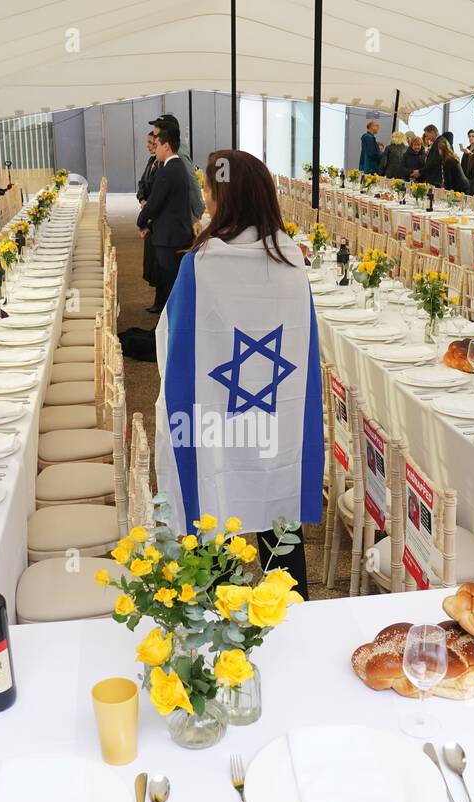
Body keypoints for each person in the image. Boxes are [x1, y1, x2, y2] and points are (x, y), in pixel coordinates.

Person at [155, 148, 322, 597]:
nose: (205, 198)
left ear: (227, 197)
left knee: (217, 497)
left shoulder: (202, 264)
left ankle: (218, 614)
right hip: (276, 413)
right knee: (277, 510)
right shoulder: (291, 263)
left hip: (215, 413)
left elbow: (176, 343)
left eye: (210, 190)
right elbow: (304, 349)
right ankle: (291, 606)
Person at [137, 126, 194, 315]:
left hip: (170, 236)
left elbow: (154, 203)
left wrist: (142, 222)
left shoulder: (168, 170)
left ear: (167, 146)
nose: (156, 149)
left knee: (169, 280)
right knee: (169, 279)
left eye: (158, 145)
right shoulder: (177, 168)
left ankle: (170, 320)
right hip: (175, 232)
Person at [148, 115, 204, 221]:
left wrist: (198, 211)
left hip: (181, 218)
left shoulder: (178, 153)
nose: (154, 140)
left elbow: (191, 182)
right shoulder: (167, 152)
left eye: (156, 136)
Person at [136, 130, 159, 295]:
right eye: (148, 143)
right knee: (150, 260)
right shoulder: (151, 161)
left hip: (153, 216)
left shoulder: (163, 165)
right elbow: (142, 182)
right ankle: (157, 301)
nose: (148, 146)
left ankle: (160, 301)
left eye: (151, 143)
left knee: (156, 260)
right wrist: (142, 199)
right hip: (147, 209)